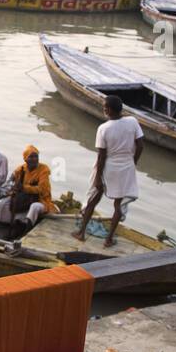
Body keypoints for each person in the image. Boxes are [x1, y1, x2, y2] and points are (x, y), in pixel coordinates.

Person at [73, 95, 144, 248]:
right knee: (118, 205)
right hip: (126, 167)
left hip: (108, 168)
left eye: (105, 107)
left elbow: (101, 156)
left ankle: (82, 233)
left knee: (93, 198)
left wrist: (98, 178)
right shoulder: (132, 121)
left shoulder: (103, 128)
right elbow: (140, 145)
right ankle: (109, 239)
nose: (103, 109)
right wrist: (133, 162)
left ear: (109, 110)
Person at [0, 146, 56, 234]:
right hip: (23, 197)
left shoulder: (44, 169)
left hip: (40, 199)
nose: (34, 159)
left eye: (36, 157)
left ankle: (26, 229)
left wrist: (24, 188)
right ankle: (10, 225)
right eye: (31, 157)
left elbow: (41, 189)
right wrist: (11, 189)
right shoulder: (21, 169)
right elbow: (9, 182)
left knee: (34, 207)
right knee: (1, 203)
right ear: (26, 159)